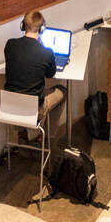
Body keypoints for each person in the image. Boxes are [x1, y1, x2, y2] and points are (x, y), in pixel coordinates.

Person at [4, 10, 67, 146]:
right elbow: (50, 74)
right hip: (34, 110)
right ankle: (45, 137)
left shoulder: (10, 45)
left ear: (22, 26)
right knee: (62, 90)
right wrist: (42, 47)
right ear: (42, 28)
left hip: (9, 108)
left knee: (21, 91)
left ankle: (22, 135)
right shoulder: (46, 53)